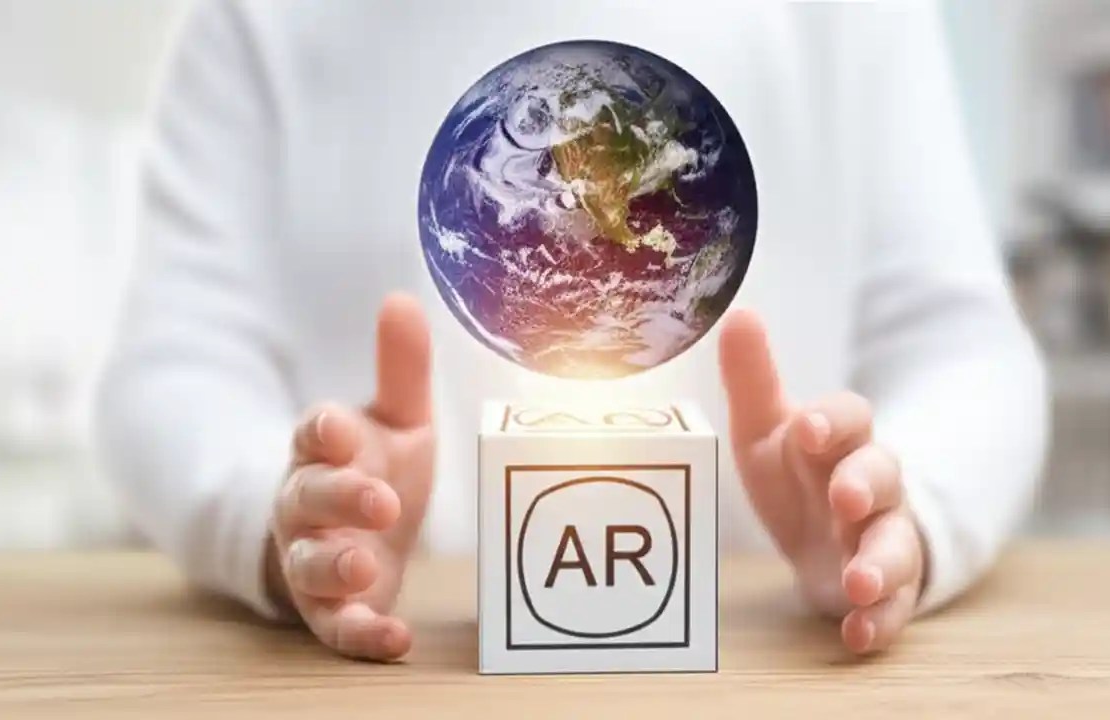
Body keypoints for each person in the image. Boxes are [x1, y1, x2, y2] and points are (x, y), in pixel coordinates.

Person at [97, 0, 1046, 661]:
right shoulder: (258, 21)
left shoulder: (853, 15)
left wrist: (897, 508)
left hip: (770, 654)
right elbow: (176, 362)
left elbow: (964, 346)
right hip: (393, 668)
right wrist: (284, 517)